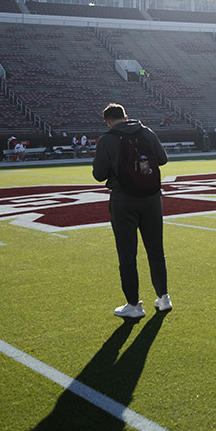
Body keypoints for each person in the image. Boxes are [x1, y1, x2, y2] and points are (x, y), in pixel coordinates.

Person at [92, 102, 171, 318]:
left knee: (127, 254)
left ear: (108, 122)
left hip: (123, 199)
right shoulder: (146, 132)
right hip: (152, 198)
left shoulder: (107, 139)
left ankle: (134, 305)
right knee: (156, 249)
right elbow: (162, 159)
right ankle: (163, 297)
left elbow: (98, 175)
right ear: (126, 117)